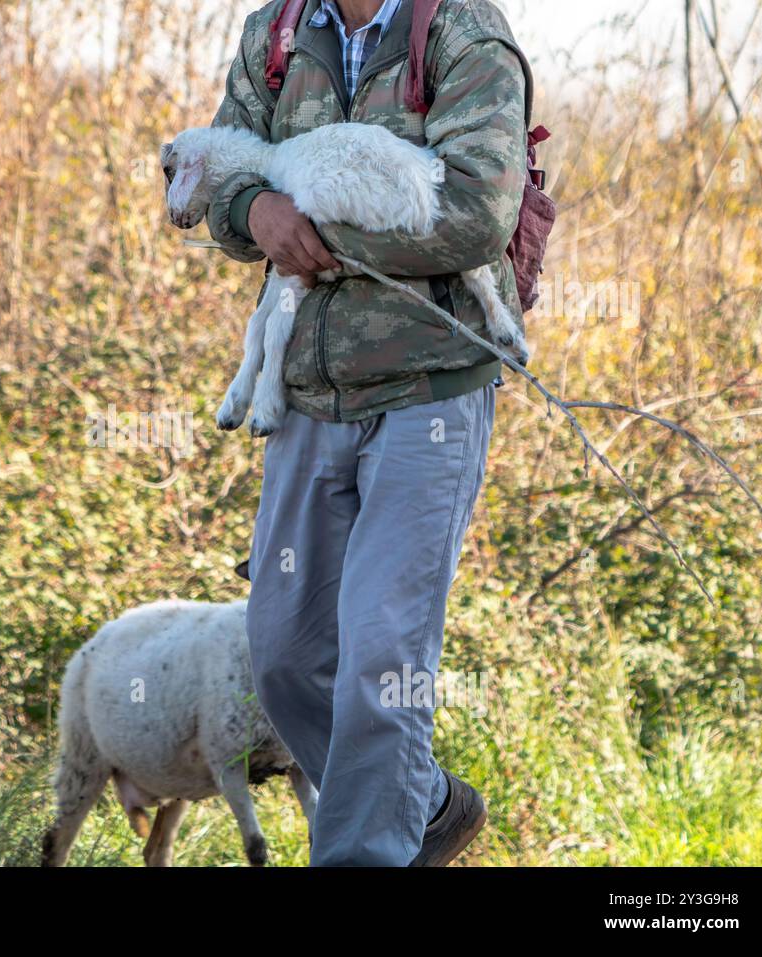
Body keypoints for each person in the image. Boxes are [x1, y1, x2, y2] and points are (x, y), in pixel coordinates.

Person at [207, 0, 534, 865]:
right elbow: (223, 169)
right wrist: (252, 215)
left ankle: (365, 852)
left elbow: (477, 211)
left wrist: (315, 226)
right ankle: (421, 803)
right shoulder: (276, 33)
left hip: (429, 388)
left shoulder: (463, 33)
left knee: (382, 655)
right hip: (308, 393)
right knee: (283, 653)